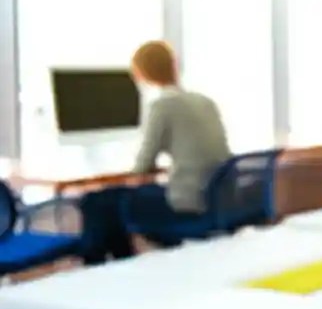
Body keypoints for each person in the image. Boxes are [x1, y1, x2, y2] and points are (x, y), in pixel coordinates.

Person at [78, 41, 232, 264]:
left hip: (185, 204)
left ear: (141, 73)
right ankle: (121, 265)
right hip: (217, 199)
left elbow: (143, 165)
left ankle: (100, 269)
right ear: (173, 66)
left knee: (94, 201)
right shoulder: (205, 102)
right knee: (110, 202)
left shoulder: (162, 106)